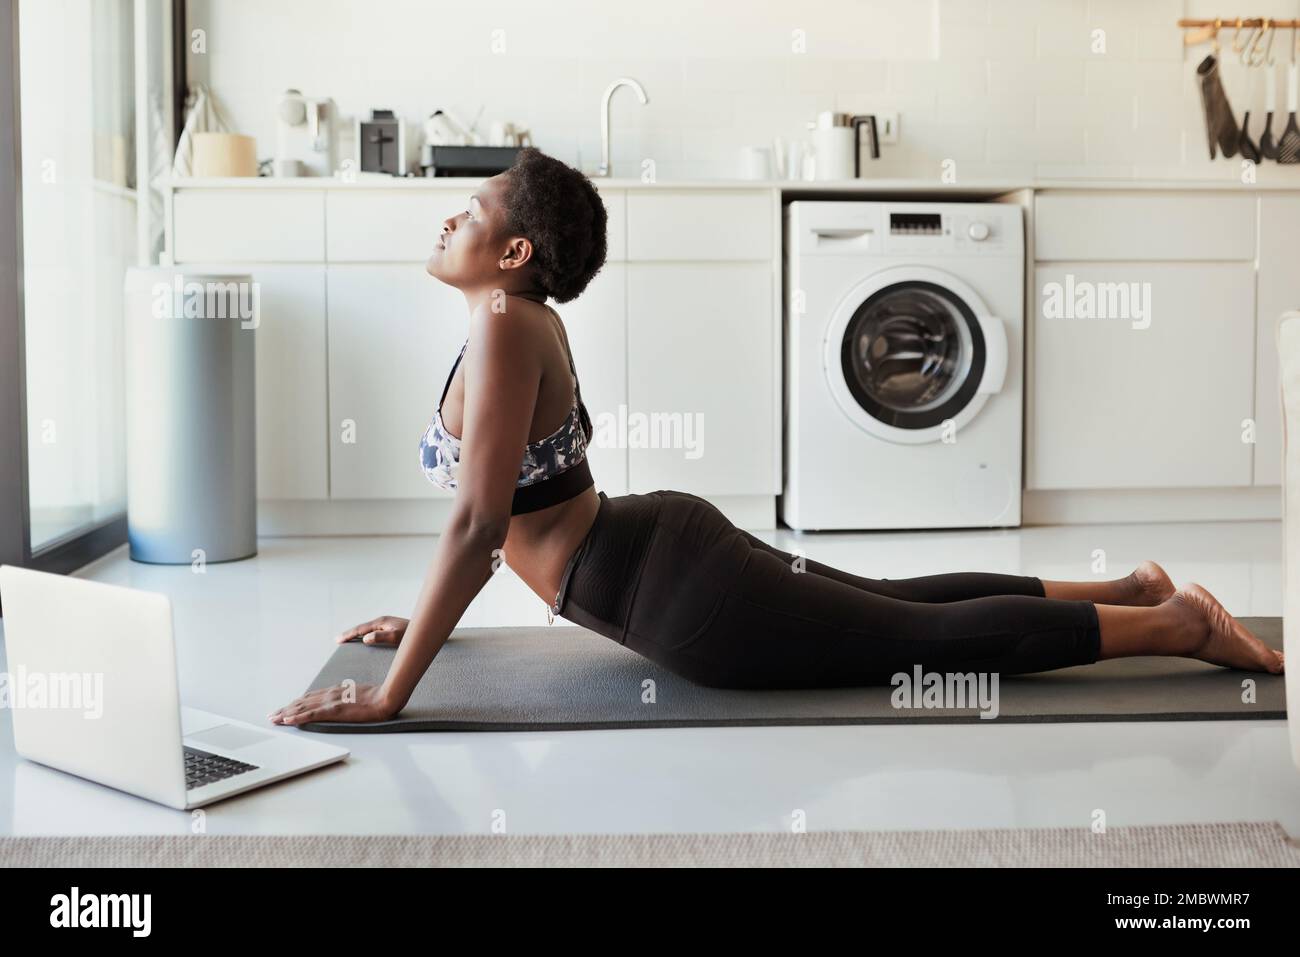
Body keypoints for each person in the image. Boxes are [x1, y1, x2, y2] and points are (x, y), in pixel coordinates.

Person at [270, 148, 1284, 727]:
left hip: (670, 591)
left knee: (910, 642)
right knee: (888, 605)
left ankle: (1172, 627)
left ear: (517, 251)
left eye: (472, 209)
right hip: (659, 552)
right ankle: (1126, 589)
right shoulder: (508, 323)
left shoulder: (501, 326)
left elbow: (481, 522)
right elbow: (493, 521)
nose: (449, 219)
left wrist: (392, 698)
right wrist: (423, 622)